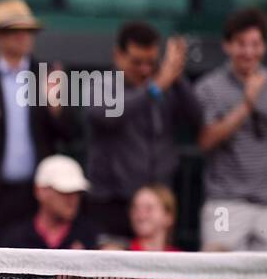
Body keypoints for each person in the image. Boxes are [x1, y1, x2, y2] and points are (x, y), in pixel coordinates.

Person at [0, 0, 80, 245]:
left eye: (28, 31)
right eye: (15, 31)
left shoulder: (49, 76)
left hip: (37, 200)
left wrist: (56, 107)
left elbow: (73, 133)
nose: (23, 37)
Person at [85, 22, 203, 243]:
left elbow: (197, 118)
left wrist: (176, 74)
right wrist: (156, 87)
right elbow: (107, 114)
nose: (145, 70)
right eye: (137, 62)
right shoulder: (101, 84)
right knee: (111, 275)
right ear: (118, 55)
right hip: (114, 203)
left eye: (151, 62)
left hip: (157, 204)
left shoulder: (166, 83)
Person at [195, 7, 267, 251]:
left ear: (264, 47)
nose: (248, 52)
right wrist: (247, 104)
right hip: (225, 203)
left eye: (255, 44)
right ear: (227, 46)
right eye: (241, 44)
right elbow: (205, 141)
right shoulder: (208, 87)